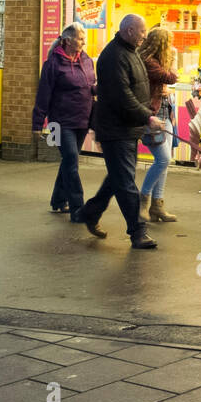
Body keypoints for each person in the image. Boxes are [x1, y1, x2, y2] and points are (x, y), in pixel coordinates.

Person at [71, 13, 162, 249]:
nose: (145, 36)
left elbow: (135, 88)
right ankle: (138, 232)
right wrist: (148, 116)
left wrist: (146, 113)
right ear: (130, 30)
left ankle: (89, 212)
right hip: (115, 129)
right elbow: (123, 96)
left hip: (128, 128)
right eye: (142, 31)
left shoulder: (130, 52)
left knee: (118, 178)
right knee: (125, 183)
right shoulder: (114, 56)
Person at [32, 23, 95, 215]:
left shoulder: (87, 60)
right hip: (59, 122)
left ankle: (58, 200)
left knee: (70, 161)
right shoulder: (52, 64)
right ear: (68, 41)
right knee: (71, 160)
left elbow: (90, 86)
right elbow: (43, 95)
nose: (84, 42)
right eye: (80, 38)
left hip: (82, 119)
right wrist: (37, 123)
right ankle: (78, 206)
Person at [137, 27, 179, 223]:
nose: (171, 47)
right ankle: (143, 200)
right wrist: (174, 59)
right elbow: (171, 77)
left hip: (164, 111)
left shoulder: (155, 61)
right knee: (163, 160)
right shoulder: (149, 62)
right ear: (162, 44)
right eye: (169, 43)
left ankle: (157, 205)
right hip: (152, 114)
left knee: (166, 161)